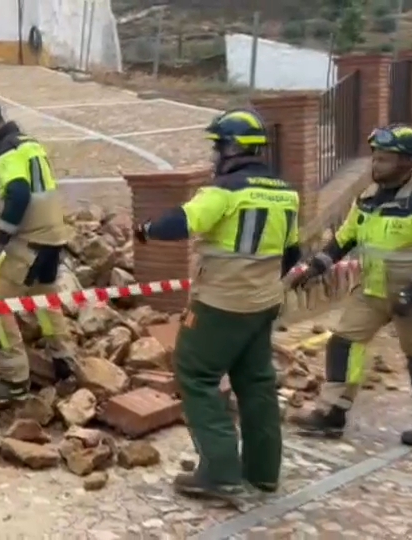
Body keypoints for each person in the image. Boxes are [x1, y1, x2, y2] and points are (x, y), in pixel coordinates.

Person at [133, 108, 300, 501]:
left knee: (196, 373)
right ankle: (262, 472)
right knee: (256, 381)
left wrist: (147, 230)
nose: (214, 156)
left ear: (231, 147)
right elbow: (293, 253)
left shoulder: (223, 191)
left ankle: (220, 471)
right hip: (263, 303)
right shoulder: (286, 192)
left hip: (221, 301)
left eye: (216, 147)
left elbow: (182, 222)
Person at [290, 124, 412, 446]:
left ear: (408, 163)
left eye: (386, 159)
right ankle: (332, 412)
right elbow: (344, 239)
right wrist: (316, 266)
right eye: (375, 157)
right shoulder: (368, 200)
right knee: (344, 343)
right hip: (372, 290)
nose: (376, 165)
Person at [0, 93, 77, 404]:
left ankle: (14, 381)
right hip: (54, 238)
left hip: (31, 243)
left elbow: (20, 195)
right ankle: (65, 364)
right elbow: (32, 192)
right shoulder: (28, 144)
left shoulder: (4, 154)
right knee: (46, 301)